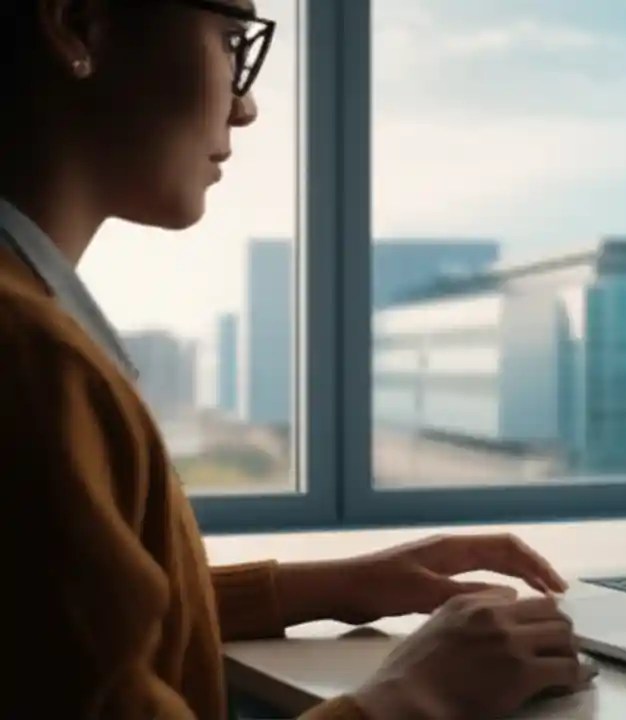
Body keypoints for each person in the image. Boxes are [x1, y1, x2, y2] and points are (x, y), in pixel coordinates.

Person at [1, 1, 591, 718]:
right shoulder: (32, 363)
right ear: (81, 26)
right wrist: (415, 695)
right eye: (229, 41)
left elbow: (55, 628)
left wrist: (331, 586)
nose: (244, 106)